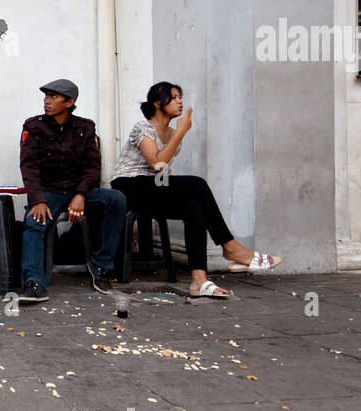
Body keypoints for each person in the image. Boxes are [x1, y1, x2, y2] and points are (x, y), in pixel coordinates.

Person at [111, 82, 282, 298]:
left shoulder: (172, 133)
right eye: (173, 97)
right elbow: (156, 162)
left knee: (194, 207)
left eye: (180, 97)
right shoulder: (142, 128)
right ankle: (231, 247)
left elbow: (160, 171)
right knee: (197, 184)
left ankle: (198, 280)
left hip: (151, 186)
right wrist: (181, 132)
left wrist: (176, 140)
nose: (180, 101)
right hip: (128, 185)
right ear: (157, 103)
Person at [19, 79, 128, 300]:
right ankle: (34, 282)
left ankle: (100, 267)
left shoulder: (85, 128)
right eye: (46, 96)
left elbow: (93, 167)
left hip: (80, 192)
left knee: (116, 199)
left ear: (69, 102)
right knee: (33, 222)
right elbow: (28, 166)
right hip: (49, 193)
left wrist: (80, 195)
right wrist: (37, 199)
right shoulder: (33, 126)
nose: (46, 101)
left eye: (53, 96)